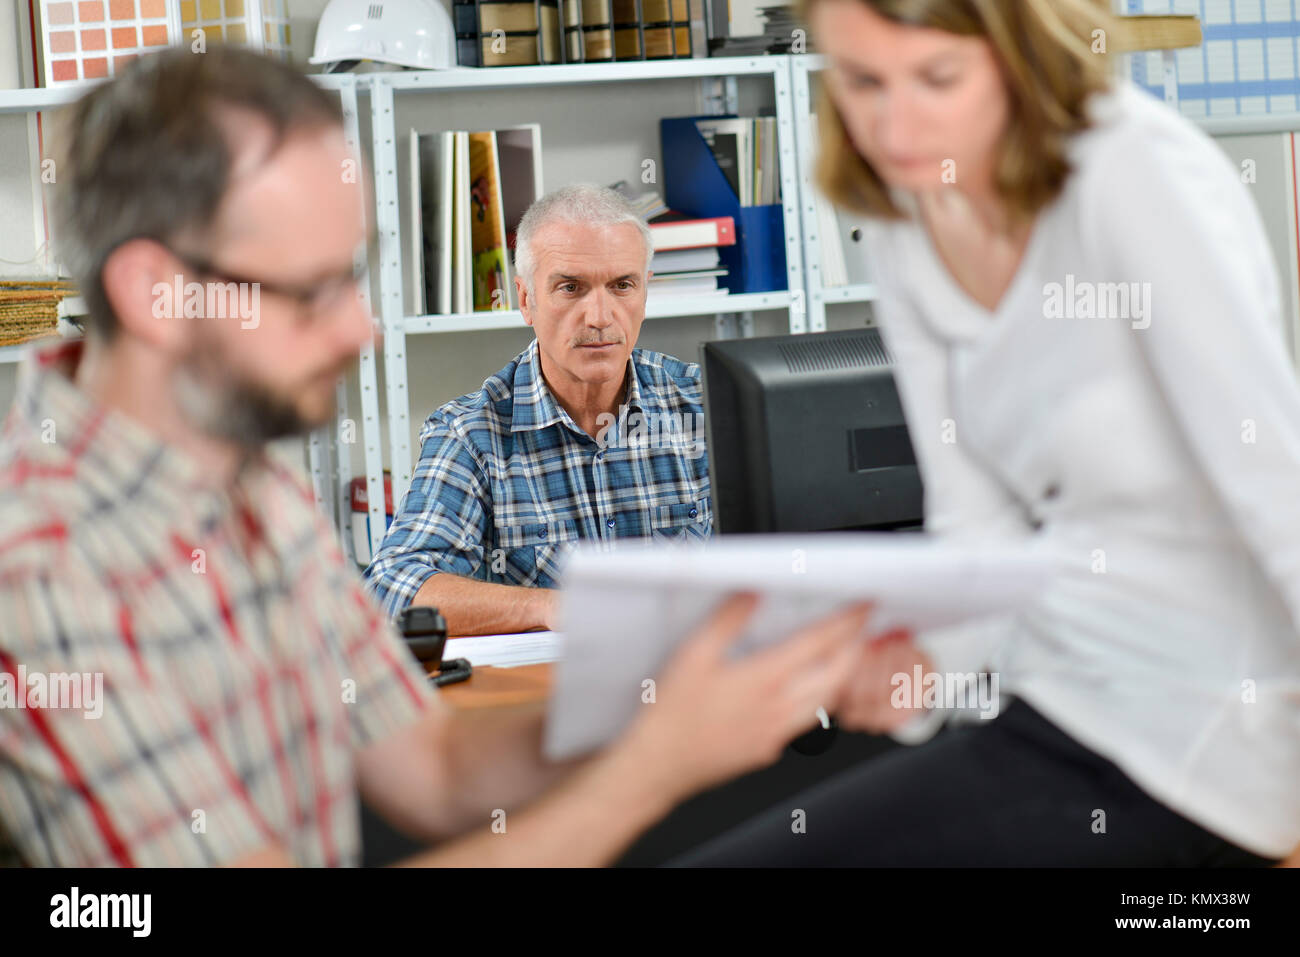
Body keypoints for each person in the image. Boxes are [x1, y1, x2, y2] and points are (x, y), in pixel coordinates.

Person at [0, 46, 875, 867]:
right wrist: (655, 768)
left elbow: (438, 767)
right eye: (311, 290)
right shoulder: (39, 571)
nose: (361, 328)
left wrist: (660, 717)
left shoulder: (241, 476)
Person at [677, 0, 1300, 866]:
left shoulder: (1133, 176)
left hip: (1215, 744)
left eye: (937, 78)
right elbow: (977, 520)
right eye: (862, 80)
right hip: (1063, 708)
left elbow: (1273, 481)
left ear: (1014, 57)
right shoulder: (906, 218)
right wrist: (918, 668)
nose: (893, 124)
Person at [365, 185, 711, 635]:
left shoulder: (705, 405)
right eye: (571, 288)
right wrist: (553, 609)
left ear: (645, 292)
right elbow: (392, 591)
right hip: (552, 697)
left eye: (622, 285)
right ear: (525, 299)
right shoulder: (471, 434)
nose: (600, 317)